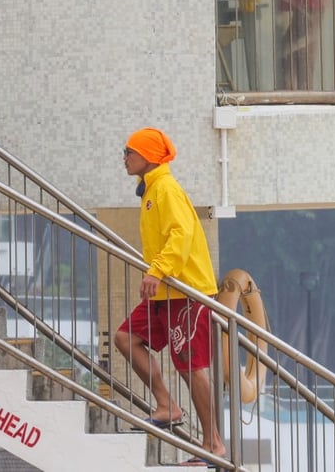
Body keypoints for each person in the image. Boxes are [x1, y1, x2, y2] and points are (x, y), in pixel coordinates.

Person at [113, 127, 226, 467]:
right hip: (166, 290)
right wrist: (158, 275)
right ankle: (167, 406)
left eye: (129, 151)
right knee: (125, 337)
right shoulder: (151, 189)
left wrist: (156, 271)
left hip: (186, 291)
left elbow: (181, 234)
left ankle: (213, 444)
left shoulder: (166, 188)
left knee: (189, 365)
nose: (124, 157)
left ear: (147, 155)